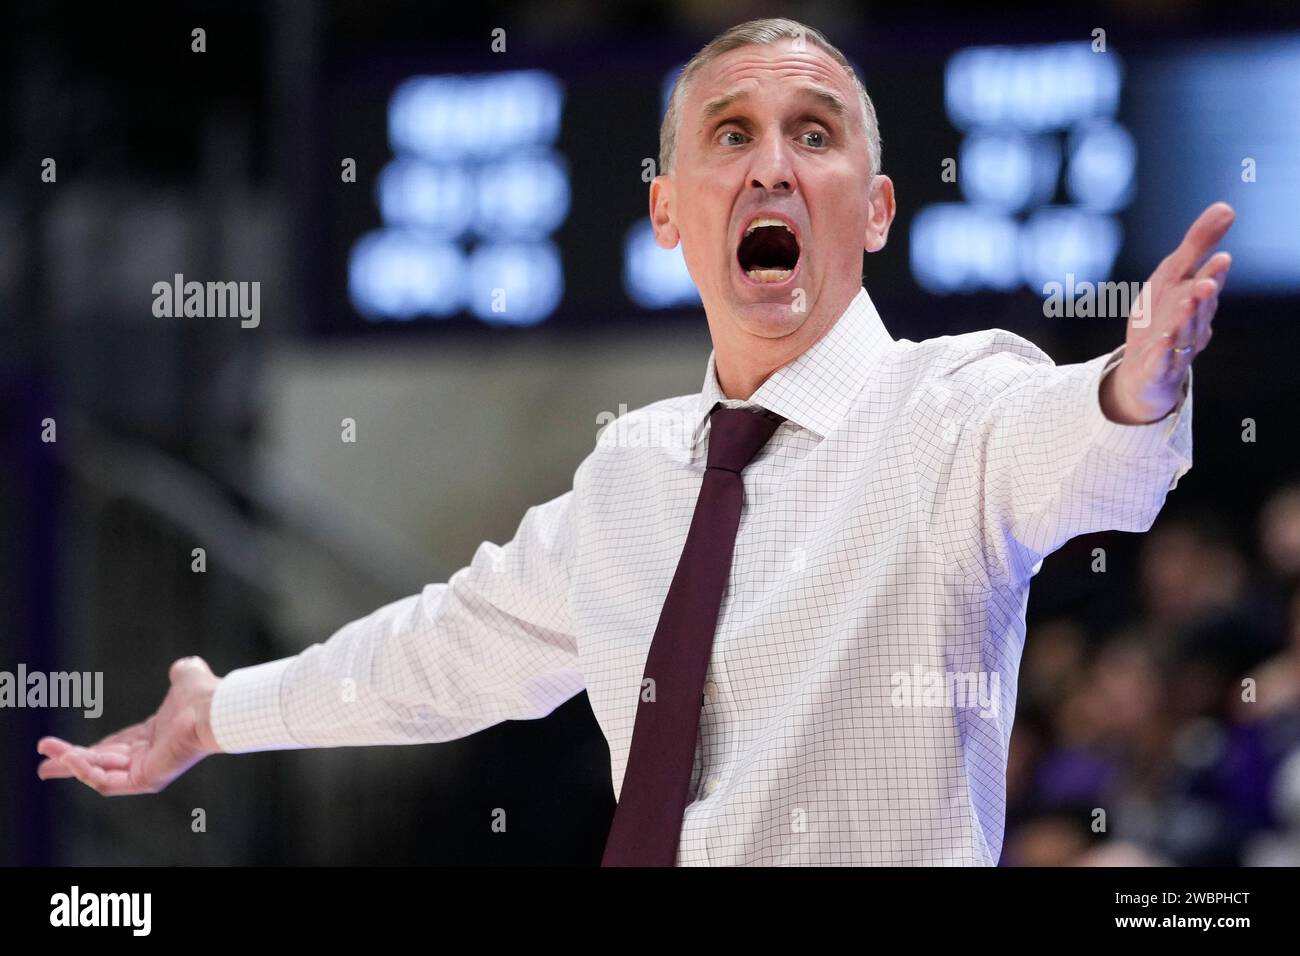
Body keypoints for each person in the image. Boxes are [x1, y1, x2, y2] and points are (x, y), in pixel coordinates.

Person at [37, 17, 1235, 866]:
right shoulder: (632, 471)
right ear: (669, 210)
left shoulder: (955, 403)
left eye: (814, 134)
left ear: (873, 209)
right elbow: (440, 654)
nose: (772, 161)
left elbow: (1083, 455)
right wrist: (220, 709)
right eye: (730, 133)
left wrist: (1136, 380)